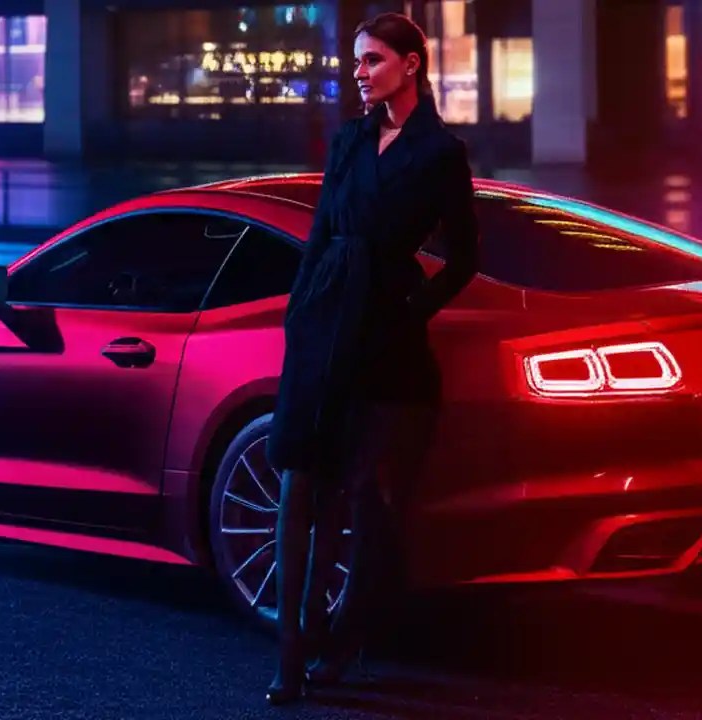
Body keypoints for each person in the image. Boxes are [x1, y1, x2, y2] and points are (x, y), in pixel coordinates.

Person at [264, 12, 480, 705]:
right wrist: (300, 320)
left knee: (364, 498)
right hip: (325, 322)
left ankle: (340, 643)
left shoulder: (441, 153)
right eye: (356, 62)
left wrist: (410, 311)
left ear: (412, 64)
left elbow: (466, 258)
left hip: (387, 337)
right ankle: (291, 652)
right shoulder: (350, 139)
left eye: (373, 60)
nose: (359, 73)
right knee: (301, 484)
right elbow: (323, 232)